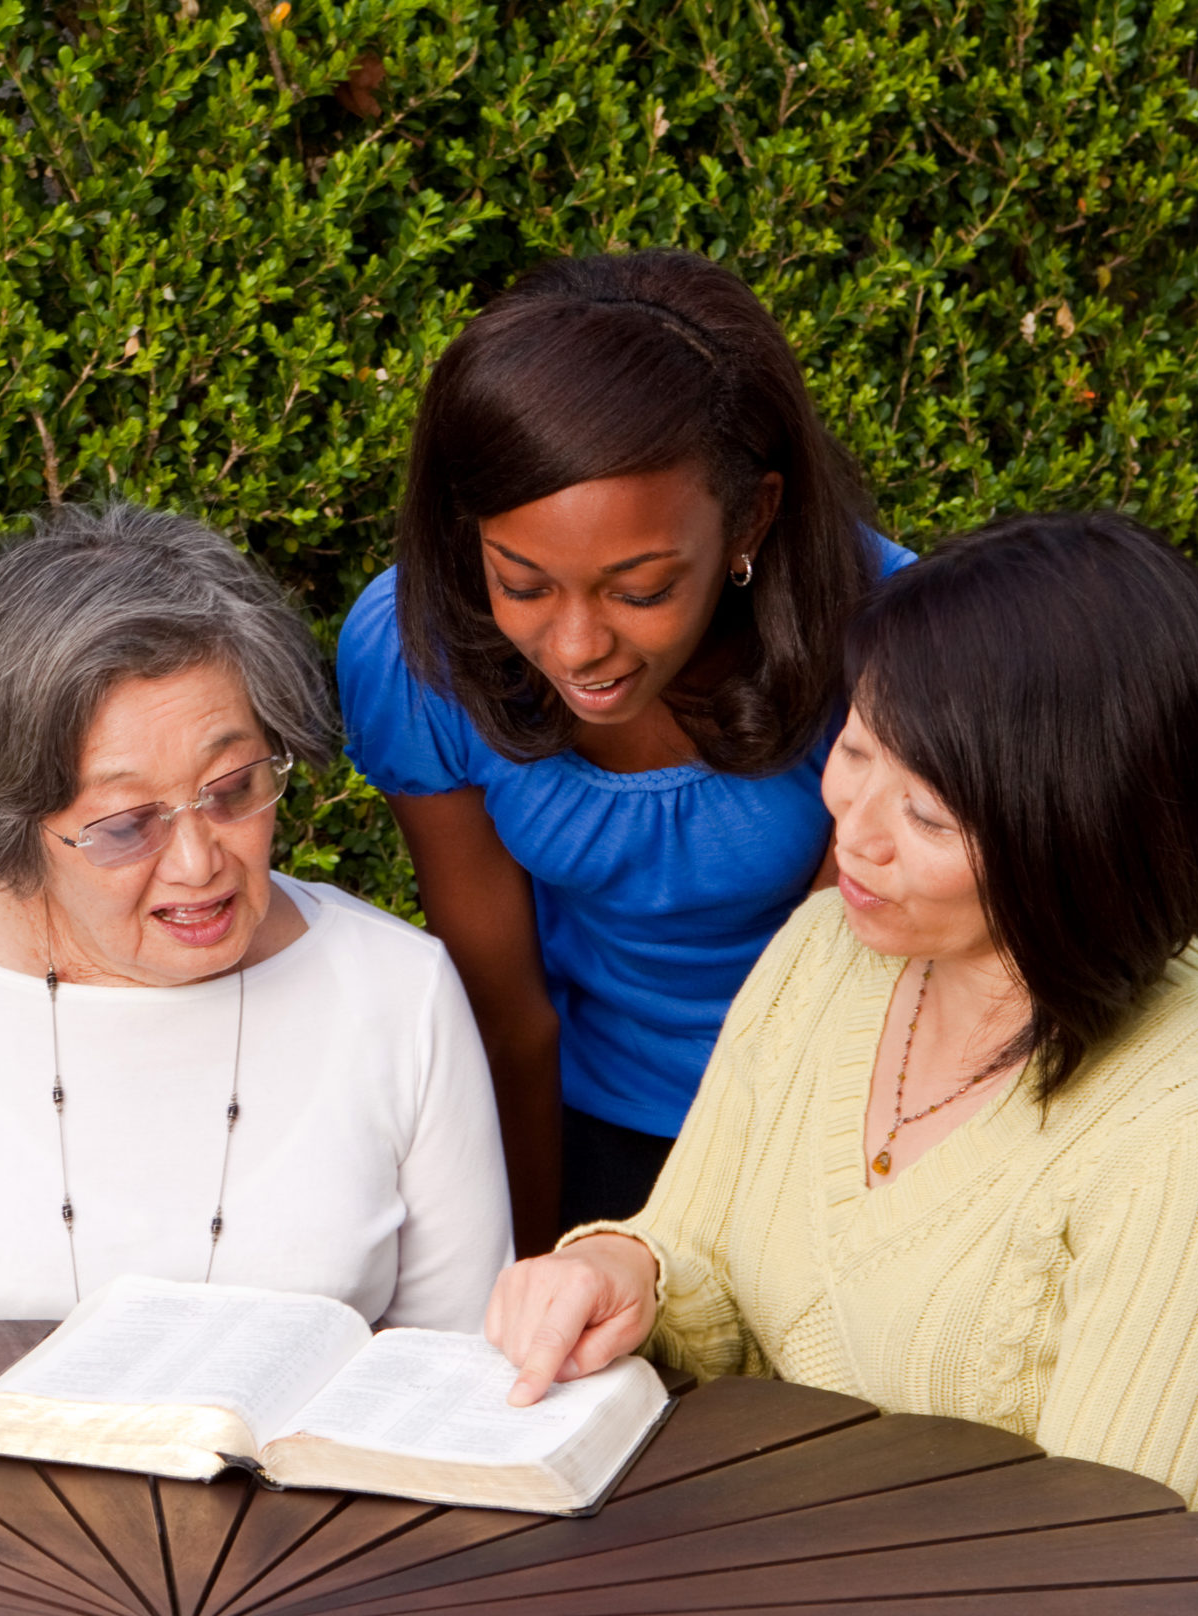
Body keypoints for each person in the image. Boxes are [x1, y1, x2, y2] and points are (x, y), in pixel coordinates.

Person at [485, 512, 1198, 1578]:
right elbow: (702, 1256)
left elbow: (1104, 1582)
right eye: (855, 751)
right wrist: (625, 1270)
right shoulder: (827, 950)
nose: (855, 829)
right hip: (808, 1599)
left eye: (927, 815)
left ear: (1078, 839)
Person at [0, 504, 513, 1343]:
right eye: (126, 823)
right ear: (14, 820)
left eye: (233, 789)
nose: (197, 862)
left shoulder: (398, 990)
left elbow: (456, 1372)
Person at [337, 249, 916, 1253]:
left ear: (750, 520)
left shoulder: (891, 641)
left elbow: (838, 1013)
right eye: (521, 583)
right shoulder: (413, 645)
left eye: (640, 590)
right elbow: (504, 1014)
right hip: (577, 1120)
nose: (576, 648)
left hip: (835, 1123)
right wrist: (515, 1269)